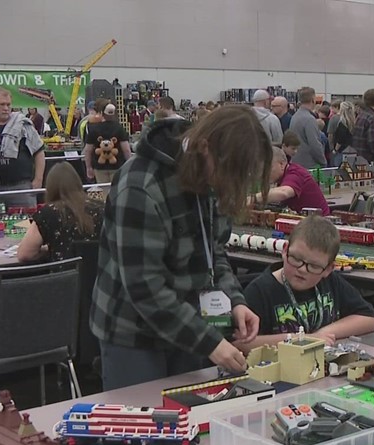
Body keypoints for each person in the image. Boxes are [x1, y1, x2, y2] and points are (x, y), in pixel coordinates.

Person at [90, 105, 267, 390]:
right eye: (228, 170)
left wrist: (235, 301)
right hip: (134, 334)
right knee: (143, 426)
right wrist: (210, 343)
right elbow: (144, 287)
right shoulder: (140, 185)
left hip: (188, 327)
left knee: (192, 421)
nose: (228, 181)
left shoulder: (213, 179)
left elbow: (215, 252)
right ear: (204, 146)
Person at [238, 215, 374, 351]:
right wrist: (303, 339)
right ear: (285, 250)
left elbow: (369, 319)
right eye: (296, 259)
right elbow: (239, 343)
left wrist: (324, 333)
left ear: (328, 269)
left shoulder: (331, 281)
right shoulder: (260, 291)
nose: (302, 270)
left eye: (314, 266)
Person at [0, 88, 45, 207]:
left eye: (8, 104)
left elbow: (39, 151)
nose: (6, 108)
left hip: (21, 188)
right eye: (1, 104)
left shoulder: (23, 124)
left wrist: (38, 179)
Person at [18, 163, 102, 263]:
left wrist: (51, 249)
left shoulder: (47, 213)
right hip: (101, 274)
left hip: (64, 275)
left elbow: (25, 254)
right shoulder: (101, 207)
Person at [256, 146, 330, 215]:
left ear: (281, 164)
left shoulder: (295, 173)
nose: (263, 173)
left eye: (267, 168)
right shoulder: (283, 177)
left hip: (319, 224)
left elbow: (283, 193)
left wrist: (253, 198)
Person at [83, 99, 132, 184]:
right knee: (116, 191)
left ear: (102, 113)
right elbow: (126, 149)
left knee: (104, 192)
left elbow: (88, 150)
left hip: (99, 167)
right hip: (117, 166)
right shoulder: (119, 128)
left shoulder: (94, 129)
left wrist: (88, 167)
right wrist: (130, 165)